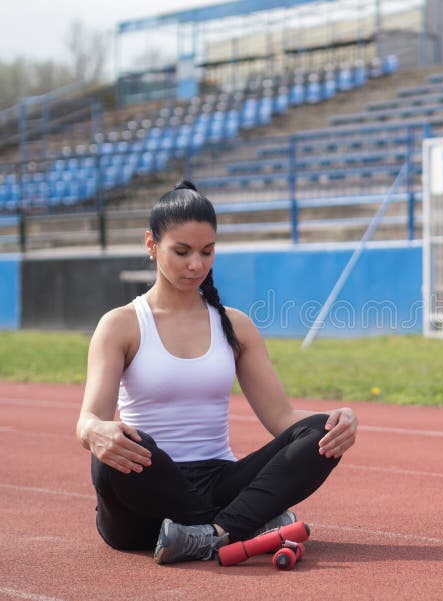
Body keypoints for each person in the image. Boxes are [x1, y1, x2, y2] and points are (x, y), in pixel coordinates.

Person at [75, 180, 357, 565]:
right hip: (145, 500)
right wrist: (96, 431)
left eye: (207, 252)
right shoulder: (121, 325)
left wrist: (339, 423)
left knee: (321, 430)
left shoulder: (235, 325)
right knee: (113, 455)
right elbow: (88, 421)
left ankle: (214, 534)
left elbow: (282, 419)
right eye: (182, 251)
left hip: (220, 484)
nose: (196, 265)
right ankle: (248, 524)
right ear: (151, 244)